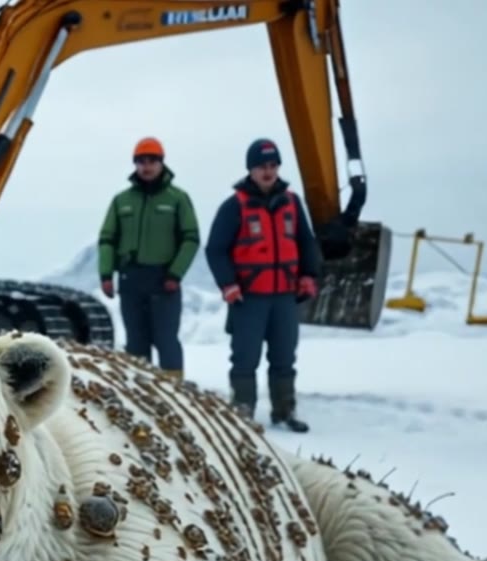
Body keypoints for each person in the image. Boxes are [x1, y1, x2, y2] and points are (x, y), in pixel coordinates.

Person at [205, 138, 321, 431]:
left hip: (284, 296)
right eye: (261, 167)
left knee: (284, 357)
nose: (268, 172)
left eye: (272, 166)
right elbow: (215, 249)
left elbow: (307, 242)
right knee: (245, 358)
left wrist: (309, 276)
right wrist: (228, 285)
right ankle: (242, 412)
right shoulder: (234, 206)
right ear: (251, 170)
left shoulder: (292, 203)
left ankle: (285, 410)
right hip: (249, 298)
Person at [96, 137, 200, 373]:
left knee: (166, 341)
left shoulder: (177, 199)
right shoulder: (121, 201)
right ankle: (140, 396)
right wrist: (105, 274)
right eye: (141, 161)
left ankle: (175, 394)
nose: (147, 166)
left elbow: (191, 239)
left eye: (152, 160)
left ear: (161, 163)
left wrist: (176, 273)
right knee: (136, 343)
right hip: (130, 280)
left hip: (164, 281)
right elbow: (107, 239)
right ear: (135, 164)